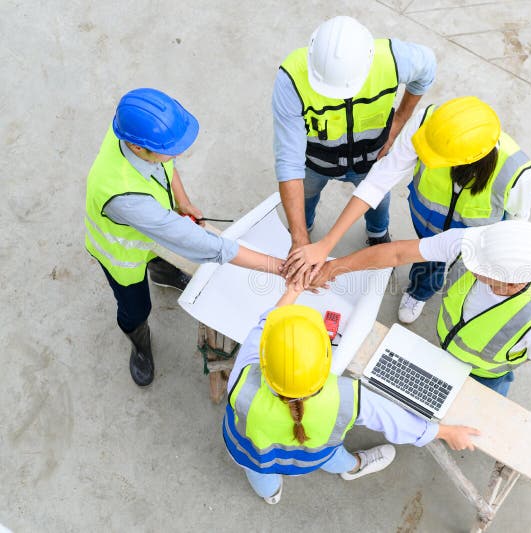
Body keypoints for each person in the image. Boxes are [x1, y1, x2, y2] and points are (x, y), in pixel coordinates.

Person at [85, 88, 284, 387]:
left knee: (162, 258)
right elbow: (203, 245)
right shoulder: (124, 197)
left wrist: (183, 201)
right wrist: (276, 266)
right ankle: (139, 342)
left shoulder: (132, 130)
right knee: (135, 308)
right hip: (122, 254)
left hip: (152, 226)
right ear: (138, 149)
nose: (178, 153)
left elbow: (164, 164)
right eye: (172, 148)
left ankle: (163, 273)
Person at [283, 96, 531, 324]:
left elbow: (516, 227)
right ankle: (421, 290)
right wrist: (327, 246)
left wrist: (494, 271)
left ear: (467, 161)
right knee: (427, 260)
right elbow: (379, 183)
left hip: (478, 238)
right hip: (426, 222)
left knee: (472, 284)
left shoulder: (519, 175)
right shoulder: (429, 126)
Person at [222, 283, 479, 504]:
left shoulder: (243, 375)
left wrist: (294, 289)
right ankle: (354, 468)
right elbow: (392, 419)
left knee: (259, 474)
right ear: (326, 362)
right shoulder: (345, 396)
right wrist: (445, 432)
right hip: (314, 454)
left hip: (253, 453)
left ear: (263, 360)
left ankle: (271, 493)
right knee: (335, 457)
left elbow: (265, 325)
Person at [307, 220, 531, 397]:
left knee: (474, 414)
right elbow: (397, 254)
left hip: (483, 377)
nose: (470, 263)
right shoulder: (471, 245)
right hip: (447, 347)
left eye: (480, 269)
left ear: (511, 283)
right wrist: (333, 268)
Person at [273, 15, 436, 253]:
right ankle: (301, 230)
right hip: (314, 163)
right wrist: (300, 241)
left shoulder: (393, 59)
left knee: (377, 200)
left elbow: (427, 68)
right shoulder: (291, 79)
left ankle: (377, 233)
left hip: (372, 159)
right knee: (306, 196)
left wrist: (400, 120)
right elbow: (289, 162)